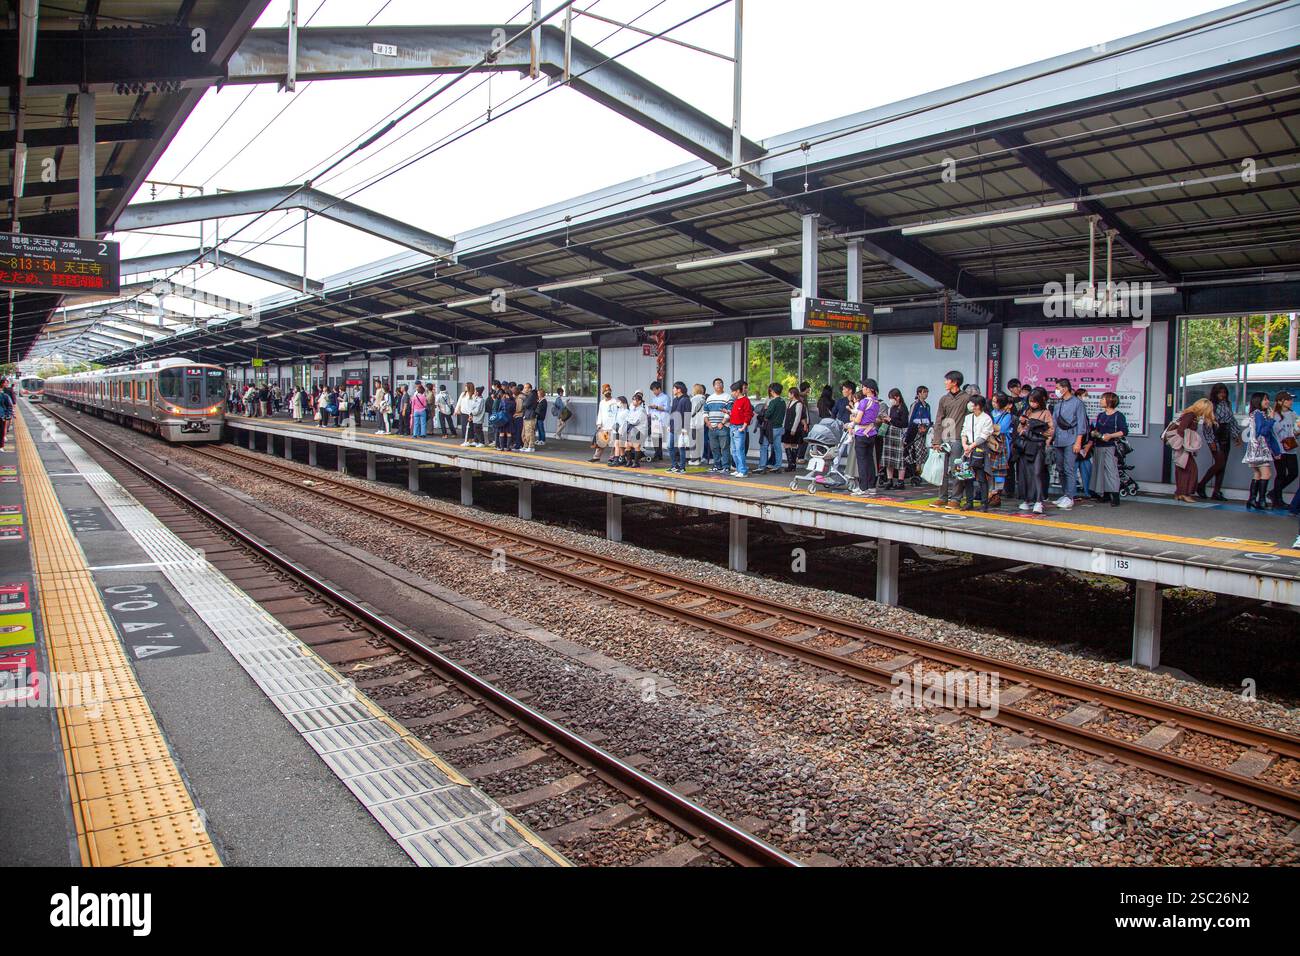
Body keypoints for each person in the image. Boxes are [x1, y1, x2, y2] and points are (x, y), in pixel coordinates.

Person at [1197, 382, 1243, 501]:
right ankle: (1201, 485)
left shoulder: (1227, 403)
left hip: (1225, 434)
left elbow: (1231, 420)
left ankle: (1216, 492)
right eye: (1220, 392)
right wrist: (1211, 440)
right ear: (1215, 393)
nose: (1222, 394)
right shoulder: (1211, 405)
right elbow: (1207, 424)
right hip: (1215, 433)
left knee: (1223, 465)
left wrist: (1236, 435)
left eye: (1224, 392)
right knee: (1219, 463)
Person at [932, 371, 969, 507]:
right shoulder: (944, 399)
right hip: (944, 438)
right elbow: (938, 420)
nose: (945, 382)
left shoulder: (966, 398)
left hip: (959, 438)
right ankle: (942, 497)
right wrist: (936, 440)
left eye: (947, 380)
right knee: (942, 470)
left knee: (957, 468)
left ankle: (956, 498)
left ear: (955, 382)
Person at [1050, 378, 1088, 510]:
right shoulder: (1058, 404)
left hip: (1071, 440)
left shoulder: (1078, 403)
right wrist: (1049, 439)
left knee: (1069, 468)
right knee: (1060, 468)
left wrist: (1078, 442)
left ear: (1065, 388)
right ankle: (1065, 493)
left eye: (1058, 388)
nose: (1056, 390)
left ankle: (1070, 496)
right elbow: (1054, 423)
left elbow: (1082, 424)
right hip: (1059, 440)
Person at [1167, 398, 1215, 502]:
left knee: (1181, 469)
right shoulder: (1191, 415)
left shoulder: (1189, 414)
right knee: (1191, 470)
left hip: (1180, 446)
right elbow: (1181, 430)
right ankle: (1185, 494)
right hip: (1184, 447)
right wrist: (1188, 443)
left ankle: (1179, 493)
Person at [1016, 387, 1054, 514]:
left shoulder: (1045, 413)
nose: (1032, 404)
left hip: (1038, 445)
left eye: (1034, 401)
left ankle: (1039, 501)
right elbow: (1018, 429)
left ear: (1040, 401)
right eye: (1030, 401)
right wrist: (1022, 425)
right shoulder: (1026, 411)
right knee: (1027, 474)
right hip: (1026, 445)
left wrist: (1036, 428)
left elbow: (1050, 430)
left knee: (1037, 472)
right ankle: (1028, 499)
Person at [1088, 391, 1129, 507]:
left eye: (1102, 399)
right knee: (1099, 470)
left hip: (1111, 446)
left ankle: (1115, 496)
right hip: (1099, 446)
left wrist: (1110, 436)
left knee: (1111, 471)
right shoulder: (1101, 415)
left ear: (1110, 401)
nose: (1100, 401)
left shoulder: (1118, 416)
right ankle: (1104, 494)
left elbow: (1124, 431)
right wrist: (1094, 433)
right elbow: (1097, 429)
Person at [1244, 391, 1281, 511]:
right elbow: (1263, 431)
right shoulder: (1259, 414)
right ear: (1257, 401)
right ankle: (1261, 500)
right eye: (1265, 399)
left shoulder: (1255, 414)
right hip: (1260, 449)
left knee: (1257, 474)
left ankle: (1252, 499)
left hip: (1254, 449)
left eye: (1267, 399)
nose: (1267, 402)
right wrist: (1271, 420)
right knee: (1266, 474)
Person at [959, 395, 993, 511]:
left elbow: (984, 436)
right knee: (967, 477)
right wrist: (965, 445)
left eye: (972, 403)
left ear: (978, 406)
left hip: (980, 450)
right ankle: (969, 502)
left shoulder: (986, 419)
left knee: (982, 478)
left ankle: (984, 503)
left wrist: (971, 446)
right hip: (968, 450)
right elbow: (964, 431)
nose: (970, 405)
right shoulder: (968, 417)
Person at [849, 380, 882, 497]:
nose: (862, 389)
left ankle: (863, 488)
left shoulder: (863, 402)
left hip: (861, 434)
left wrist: (852, 418)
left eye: (864, 387)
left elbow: (858, 420)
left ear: (869, 389)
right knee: (870, 460)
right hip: (872, 433)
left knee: (862, 461)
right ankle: (872, 486)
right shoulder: (876, 402)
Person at [985, 393, 1014, 508]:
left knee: (1000, 470)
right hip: (990, 444)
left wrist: (990, 428)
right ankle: (990, 492)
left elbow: (1002, 429)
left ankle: (996, 493)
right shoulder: (991, 413)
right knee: (990, 470)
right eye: (992, 401)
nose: (993, 403)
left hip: (1002, 445)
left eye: (995, 401)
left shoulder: (1007, 415)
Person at [1270, 391, 1296, 509]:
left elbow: (1293, 431)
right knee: (1281, 474)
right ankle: (1277, 500)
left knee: (1293, 473)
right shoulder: (1275, 415)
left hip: (1291, 448)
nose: (1291, 402)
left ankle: (1274, 493)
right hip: (1279, 449)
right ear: (1281, 401)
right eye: (1288, 399)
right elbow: (1276, 433)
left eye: (1291, 399)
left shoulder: (1293, 414)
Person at [879, 388, 909, 490]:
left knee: (900, 459)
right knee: (888, 458)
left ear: (897, 397)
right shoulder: (891, 408)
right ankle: (890, 480)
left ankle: (900, 481)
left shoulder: (903, 408)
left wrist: (891, 419)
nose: (890, 400)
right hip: (889, 434)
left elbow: (904, 424)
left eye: (892, 398)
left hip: (898, 434)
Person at [703, 378, 732, 474]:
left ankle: (726, 466)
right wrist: (708, 423)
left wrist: (722, 423)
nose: (718, 385)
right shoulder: (709, 398)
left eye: (720, 383)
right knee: (714, 447)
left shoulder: (728, 397)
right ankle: (717, 465)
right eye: (716, 384)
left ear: (723, 385)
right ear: (713, 386)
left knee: (724, 447)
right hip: (712, 427)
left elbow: (729, 412)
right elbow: (705, 412)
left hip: (723, 426)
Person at [755, 383, 786, 474]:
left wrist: (765, 410)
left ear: (772, 391)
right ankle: (778, 466)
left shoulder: (773, 402)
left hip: (770, 428)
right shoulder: (783, 401)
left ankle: (762, 467)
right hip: (779, 427)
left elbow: (768, 414)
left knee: (764, 447)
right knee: (777, 447)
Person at [727, 380, 753, 478]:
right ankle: (738, 469)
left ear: (738, 391)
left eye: (733, 391)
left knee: (739, 450)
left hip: (739, 428)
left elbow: (748, 414)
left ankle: (743, 470)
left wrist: (744, 427)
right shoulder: (736, 401)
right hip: (733, 427)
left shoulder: (745, 400)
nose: (732, 393)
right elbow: (737, 414)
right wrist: (728, 413)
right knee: (733, 450)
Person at [782, 386, 809, 473]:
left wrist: (793, 429)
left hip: (794, 428)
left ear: (793, 394)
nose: (788, 395)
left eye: (789, 393)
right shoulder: (789, 402)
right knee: (787, 444)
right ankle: (792, 464)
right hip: (787, 426)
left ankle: (792, 464)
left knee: (792, 444)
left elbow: (798, 417)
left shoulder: (799, 404)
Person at [668, 382, 692, 473]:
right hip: (673, 427)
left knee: (681, 447)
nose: (673, 390)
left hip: (682, 427)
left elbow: (687, 415)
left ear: (679, 389)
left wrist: (685, 428)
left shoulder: (686, 400)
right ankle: (674, 465)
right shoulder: (675, 400)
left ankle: (682, 467)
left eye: (674, 388)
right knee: (670, 446)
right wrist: (670, 425)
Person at [591, 384, 618, 462]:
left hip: (613, 426)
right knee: (601, 443)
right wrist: (599, 424)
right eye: (606, 391)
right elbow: (600, 413)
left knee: (614, 444)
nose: (607, 392)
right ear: (603, 393)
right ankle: (596, 457)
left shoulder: (615, 401)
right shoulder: (602, 402)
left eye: (609, 390)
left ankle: (612, 457)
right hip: (604, 426)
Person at [647, 381, 670, 462]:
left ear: (659, 389)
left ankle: (660, 454)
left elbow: (667, 408)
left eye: (654, 390)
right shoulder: (654, 398)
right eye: (652, 390)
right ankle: (658, 454)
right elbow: (652, 409)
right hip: (655, 420)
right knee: (655, 438)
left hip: (662, 420)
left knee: (663, 438)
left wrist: (656, 407)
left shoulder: (665, 397)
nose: (653, 392)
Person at [689, 383, 707, 467]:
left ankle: (694, 459)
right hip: (702, 423)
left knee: (694, 442)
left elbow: (692, 412)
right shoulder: (704, 399)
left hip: (694, 423)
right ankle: (699, 457)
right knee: (700, 442)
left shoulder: (694, 399)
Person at [520, 383, 538, 452]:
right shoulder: (528, 396)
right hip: (527, 416)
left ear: (530, 389)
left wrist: (524, 400)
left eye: (526, 388)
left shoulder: (532, 395)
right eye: (524, 388)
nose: (524, 389)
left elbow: (525, 404)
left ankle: (531, 446)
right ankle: (526, 445)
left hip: (530, 416)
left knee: (530, 432)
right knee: (525, 432)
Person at [0, 379, 12, 450]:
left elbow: (9, 406)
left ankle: (1, 446)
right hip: (2, 415)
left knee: (1, 431)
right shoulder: (4, 395)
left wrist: (8, 415)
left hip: (2, 416)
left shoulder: (4, 395)